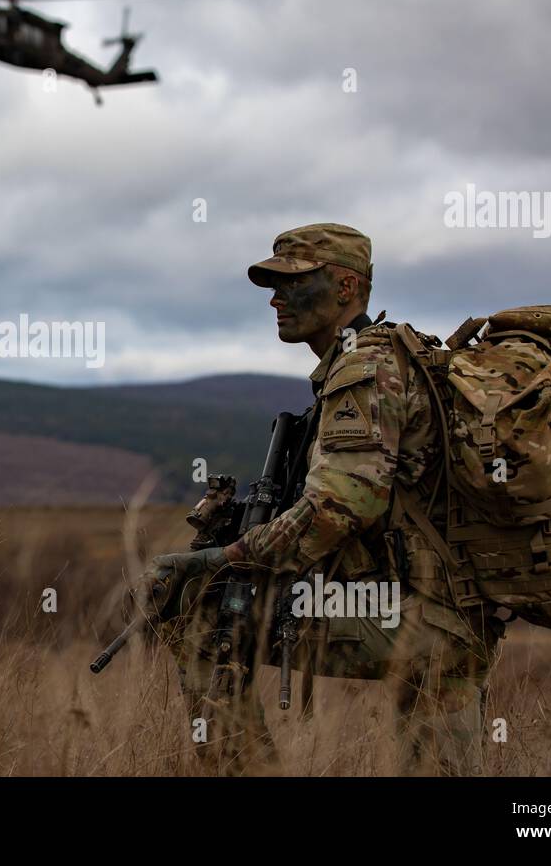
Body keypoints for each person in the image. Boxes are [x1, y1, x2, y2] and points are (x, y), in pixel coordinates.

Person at [144, 223, 508, 775]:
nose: (275, 298)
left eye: (293, 282)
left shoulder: (364, 368)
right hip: (451, 611)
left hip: (422, 617)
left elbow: (337, 511)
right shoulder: (384, 358)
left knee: (200, 606)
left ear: (345, 287)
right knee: (439, 756)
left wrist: (220, 558)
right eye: (273, 284)